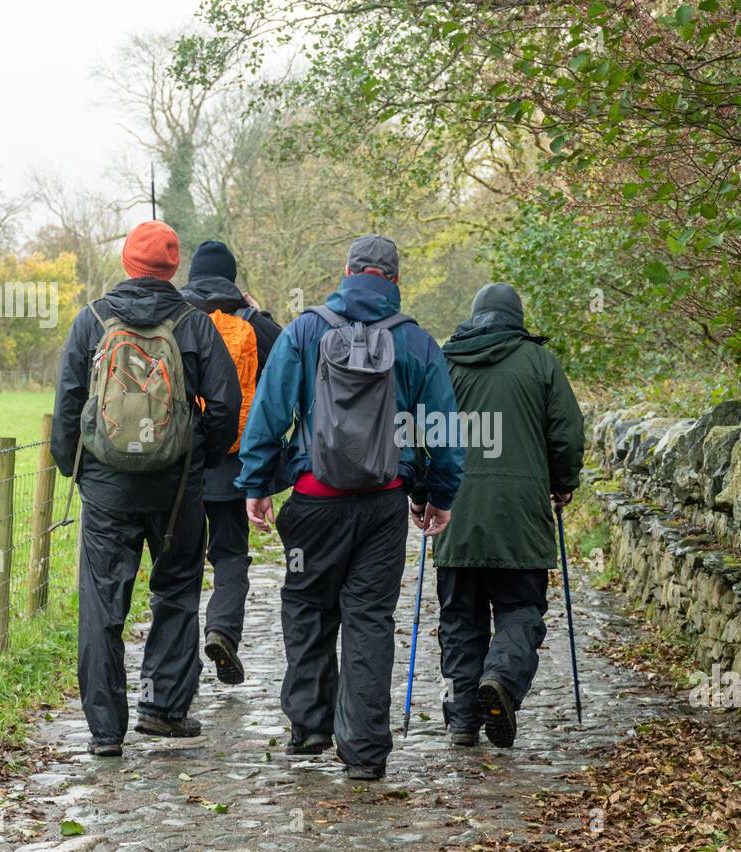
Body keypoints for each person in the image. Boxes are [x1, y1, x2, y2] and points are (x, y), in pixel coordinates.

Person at [235, 235, 463, 780]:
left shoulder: (305, 330)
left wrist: (256, 483)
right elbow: (444, 430)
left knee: (308, 605)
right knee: (369, 621)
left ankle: (311, 726)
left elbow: (270, 412)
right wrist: (437, 494)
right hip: (384, 509)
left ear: (346, 271)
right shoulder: (416, 342)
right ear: (396, 281)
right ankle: (363, 752)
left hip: (313, 503)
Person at [51, 221, 240, 757]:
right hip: (177, 486)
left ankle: (105, 731)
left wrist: (74, 466)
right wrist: (198, 453)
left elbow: (68, 402)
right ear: (172, 268)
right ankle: (163, 709)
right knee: (176, 591)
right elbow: (225, 406)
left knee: (102, 602)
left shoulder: (90, 321)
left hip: (107, 487)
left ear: (127, 262)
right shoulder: (196, 324)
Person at [429, 282, 584, 748]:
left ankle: (462, 718)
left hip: (454, 515)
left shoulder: (445, 362)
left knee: (460, 617)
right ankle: (500, 680)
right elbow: (566, 432)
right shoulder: (539, 362)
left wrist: (423, 491)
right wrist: (563, 482)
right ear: (517, 319)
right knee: (520, 609)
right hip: (519, 516)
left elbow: (425, 431)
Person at [180, 240, 282, 685]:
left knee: (180, 566)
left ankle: (178, 662)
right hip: (233, 465)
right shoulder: (253, 324)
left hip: (179, 464)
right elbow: (291, 355)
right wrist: (262, 315)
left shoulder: (176, 318)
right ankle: (222, 630)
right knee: (230, 557)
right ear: (232, 277)